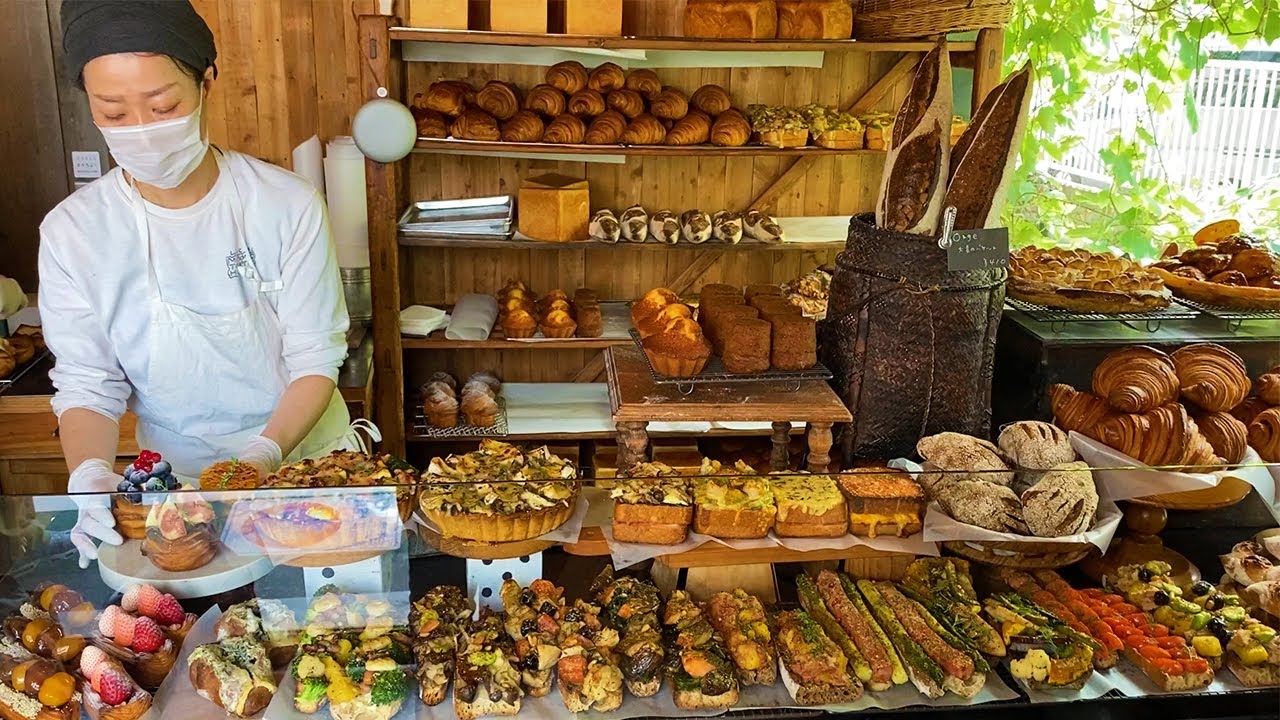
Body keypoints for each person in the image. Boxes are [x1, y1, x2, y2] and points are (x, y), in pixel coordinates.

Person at [41, 0, 356, 567]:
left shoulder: (283, 205)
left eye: (163, 105)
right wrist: (89, 473)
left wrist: (260, 459)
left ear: (207, 81)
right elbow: (89, 382)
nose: (142, 131)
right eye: (113, 113)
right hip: (177, 491)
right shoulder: (74, 232)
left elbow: (316, 356)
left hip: (303, 471)